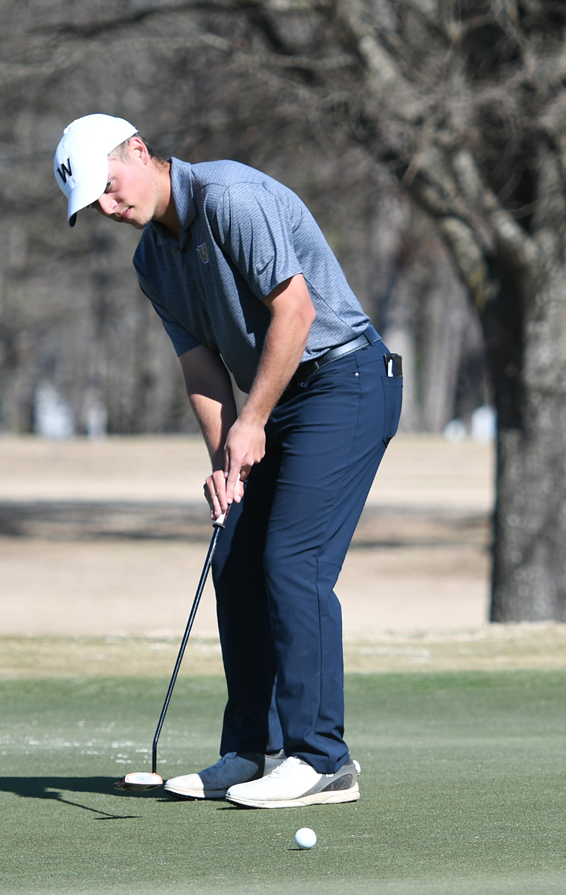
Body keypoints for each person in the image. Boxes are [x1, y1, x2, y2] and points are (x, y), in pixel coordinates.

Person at [54, 113, 401, 808]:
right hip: (277, 400)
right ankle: (253, 750)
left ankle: (324, 759)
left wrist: (253, 421)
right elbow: (202, 368)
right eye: (95, 202)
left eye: (111, 187)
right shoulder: (152, 261)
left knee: (291, 561)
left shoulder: (231, 198)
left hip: (345, 381)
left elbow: (294, 314)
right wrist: (226, 462)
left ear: (142, 153)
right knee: (235, 557)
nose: (109, 207)